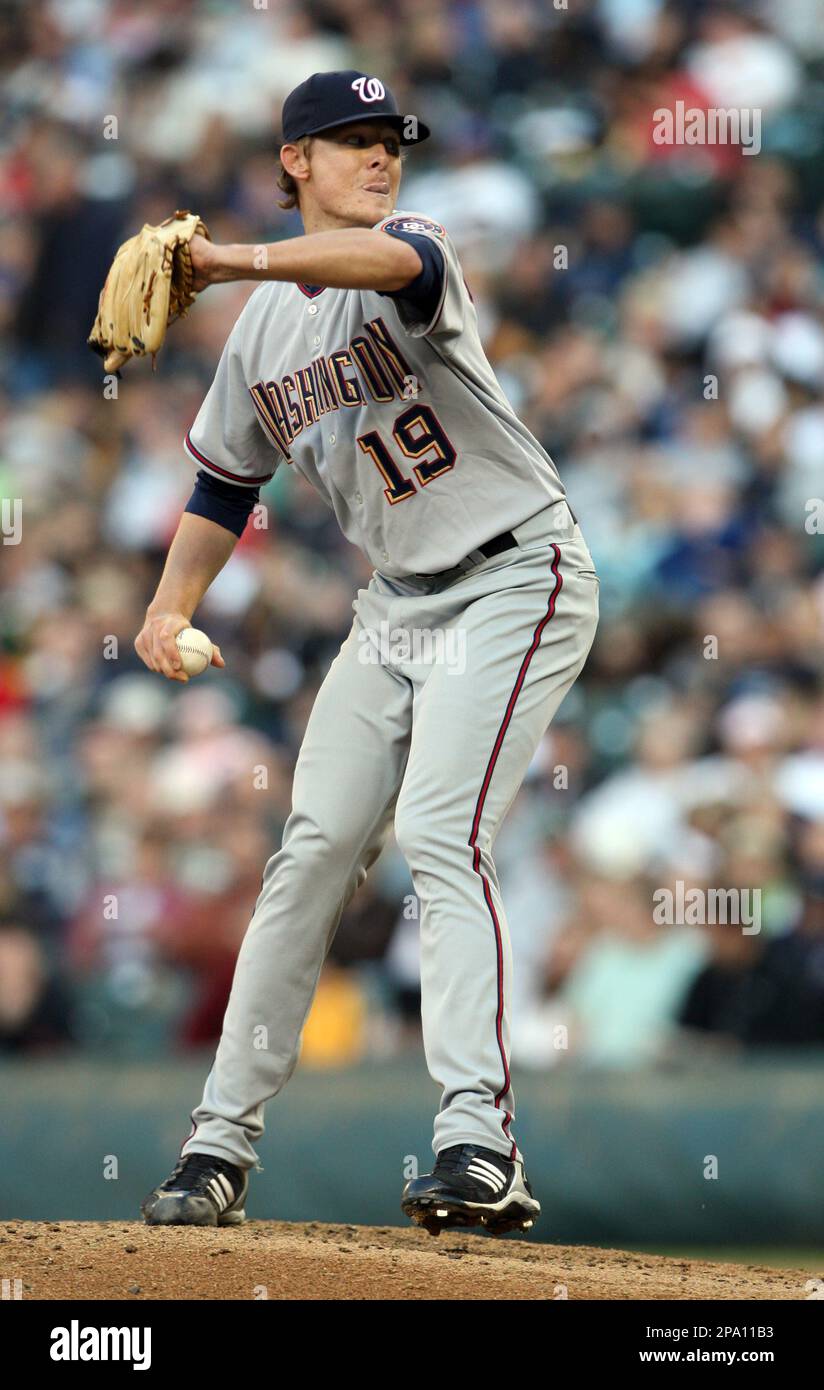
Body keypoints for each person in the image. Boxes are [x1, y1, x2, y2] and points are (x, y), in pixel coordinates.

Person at [137, 70, 599, 1236]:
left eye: (388, 139)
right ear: (293, 159)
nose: (379, 157)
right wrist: (162, 605)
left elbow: (391, 268)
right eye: (348, 142)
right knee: (312, 851)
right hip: (393, 608)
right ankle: (214, 1147)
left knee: (442, 831)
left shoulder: (408, 242)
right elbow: (220, 483)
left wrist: (231, 260)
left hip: (513, 572)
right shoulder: (255, 340)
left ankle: (478, 1145)